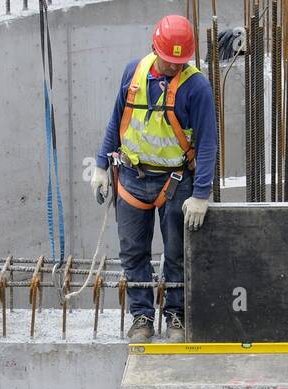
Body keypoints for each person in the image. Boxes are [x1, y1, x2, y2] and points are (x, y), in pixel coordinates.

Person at [91, 15, 217, 343]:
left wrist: (201, 193)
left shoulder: (197, 87)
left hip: (175, 183)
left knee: (176, 252)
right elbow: (116, 120)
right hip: (132, 177)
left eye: (180, 62)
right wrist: (102, 165)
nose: (174, 67)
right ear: (154, 49)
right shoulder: (134, 72)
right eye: (169, 60)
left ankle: (176, 314)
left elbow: (207, 143)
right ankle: (142, 316)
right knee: (133, 252)